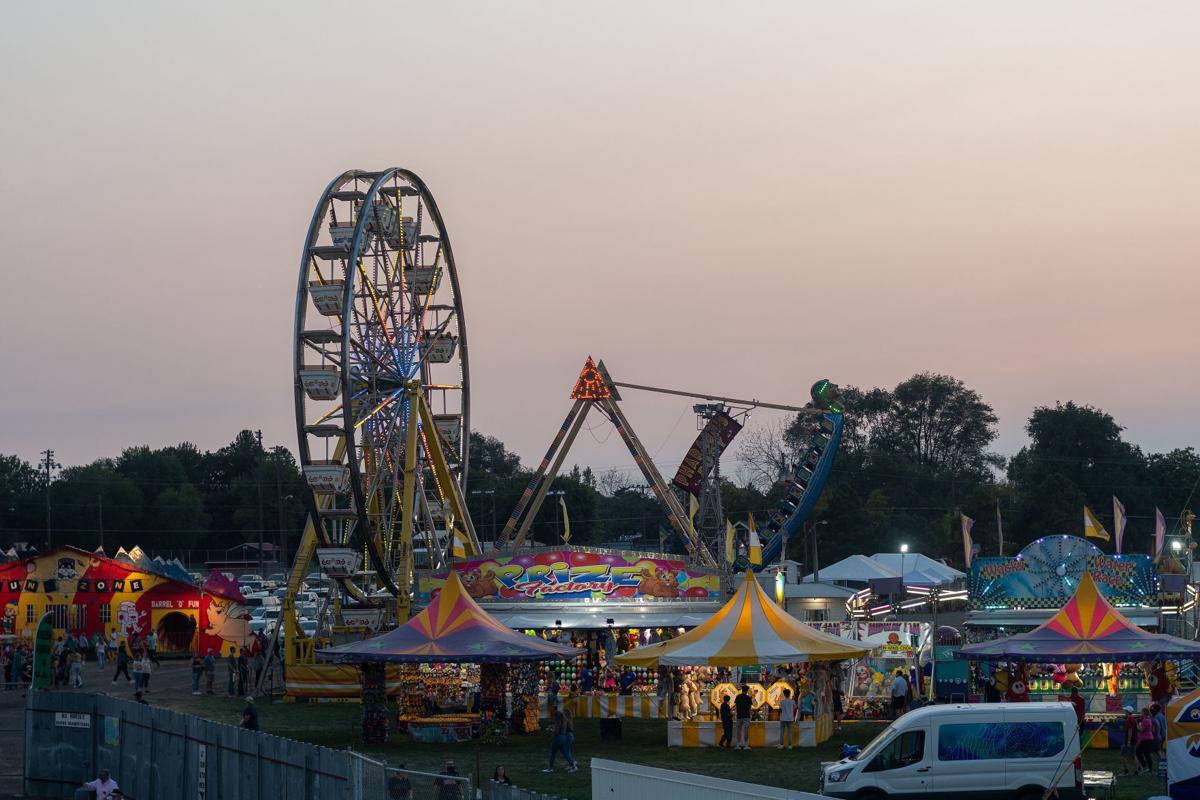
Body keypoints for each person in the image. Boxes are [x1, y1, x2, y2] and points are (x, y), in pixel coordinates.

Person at [543, 704, 578, 772]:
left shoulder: (559, 723)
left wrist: (551, 730)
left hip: (559, 738)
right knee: (565, 752)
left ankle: (550, 768)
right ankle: (572, 765)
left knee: (553, 753)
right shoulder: (564, 722)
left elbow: (556, 732)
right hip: (564, 737)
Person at [1135, 707, 1156, 775]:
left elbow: (1141, 729)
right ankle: (1149, 769)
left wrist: (1137, 725)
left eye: (1141, 712)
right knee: (1146, 754)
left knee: (1138, 753)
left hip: (1145, 739)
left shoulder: (1145, 720)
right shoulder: (1148, 719)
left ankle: (1145, 767)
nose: (1140, 714)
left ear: (1144, 713)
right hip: (1149, 739)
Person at [734, 684, 753, 750]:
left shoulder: (738, 697)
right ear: (747, 690)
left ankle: (738, 745)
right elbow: (750, 708)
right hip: (746, 715)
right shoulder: (748, 698)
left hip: (739, 715)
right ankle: (746, 745)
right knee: (746, 730)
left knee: (739, 730)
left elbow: (736, 707)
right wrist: (750, 715)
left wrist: (736, 714)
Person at [1119, 705, 1137, 775]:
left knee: (1123, 755)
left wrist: (1128, 741)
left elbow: (1130, 730)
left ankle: (1126, 771)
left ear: (1127, 712)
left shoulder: (1129, 719)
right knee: (1133, 756)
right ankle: (1136, 771)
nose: (1124, 712)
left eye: (1125, 711)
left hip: (1129, 740)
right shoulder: (1133, 719)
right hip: (1134, 739)